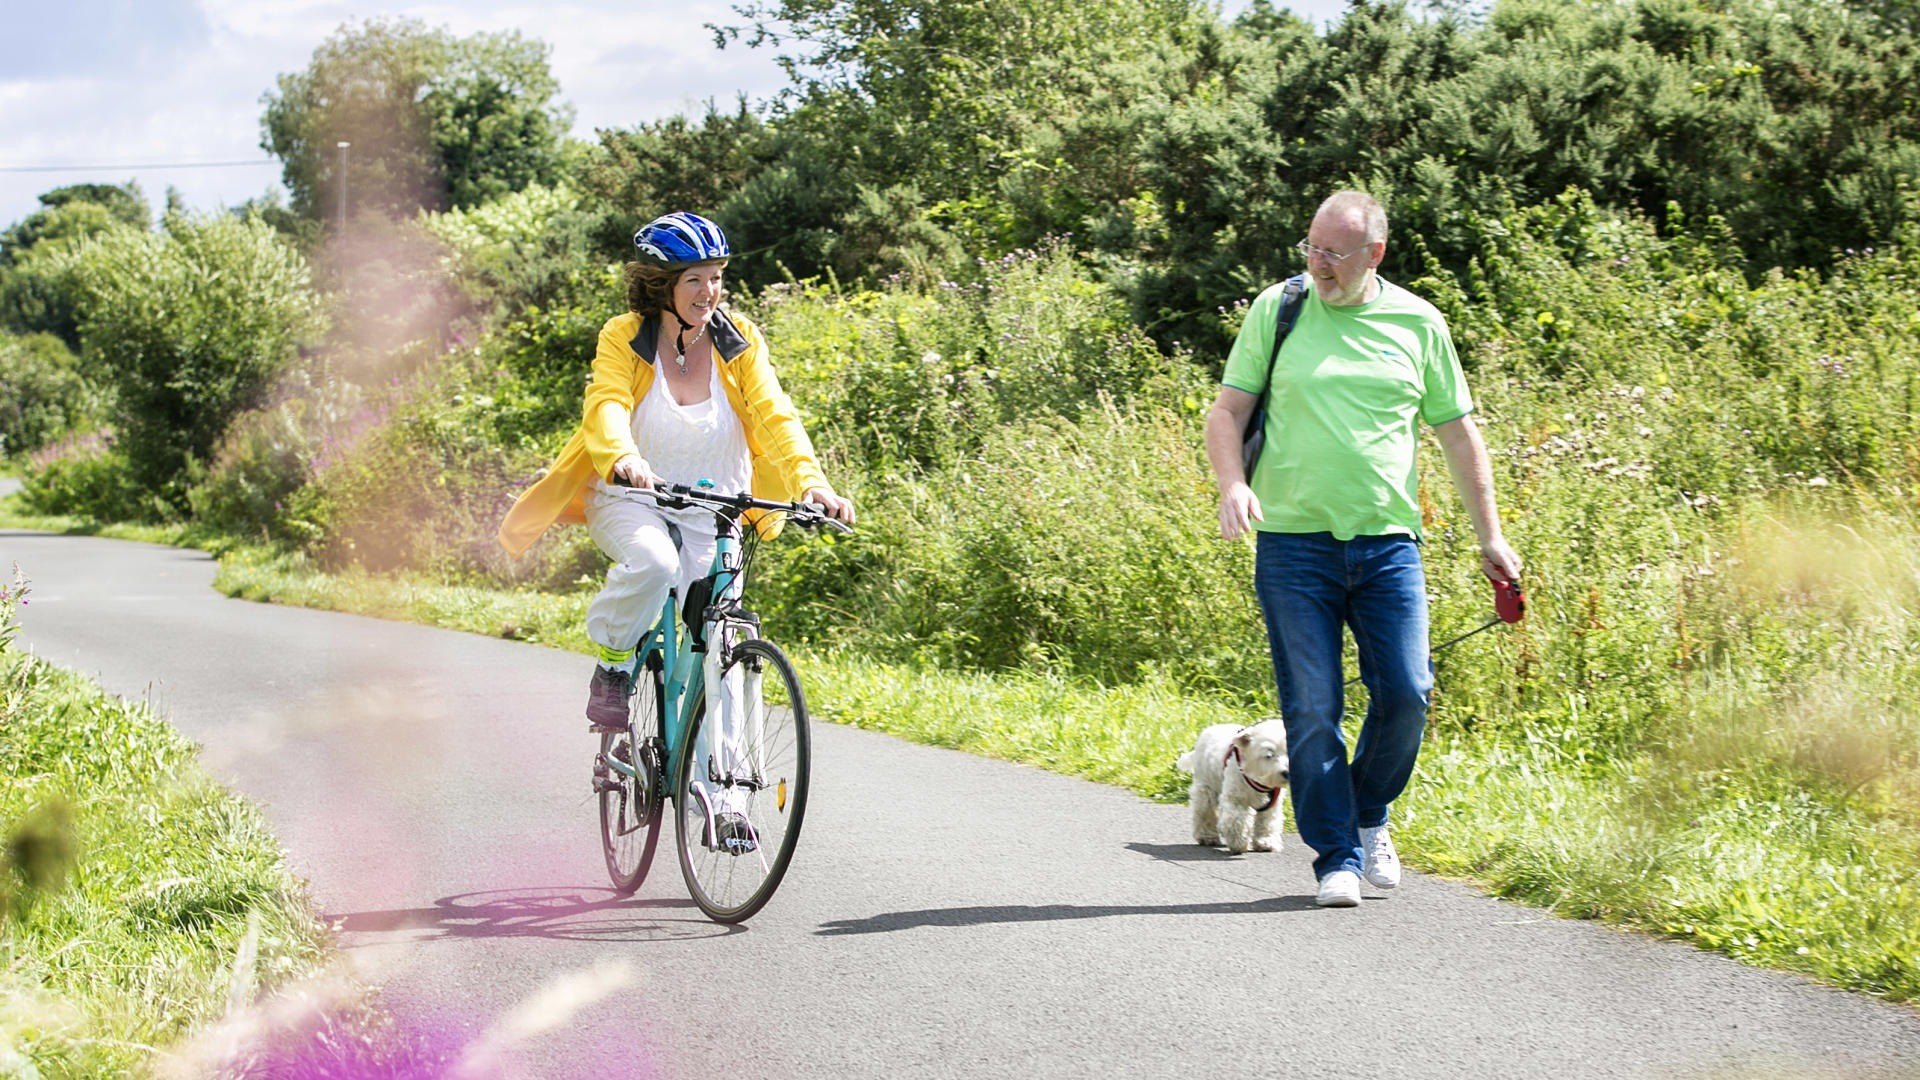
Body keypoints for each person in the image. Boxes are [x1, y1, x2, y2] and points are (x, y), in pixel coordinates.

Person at [1203, 190, 1522, 909]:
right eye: (1310, 248)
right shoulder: (1276, 310)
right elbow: (1227, 411)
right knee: (1312, 710)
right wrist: (1232, 485)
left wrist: (1490, 536)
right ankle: (1336, 856)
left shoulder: (1418, 322)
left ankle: (1367, 810)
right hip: (1292, 546)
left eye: (1333, 254)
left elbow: (1457, 433)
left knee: (1407, 692)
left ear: (1374, 254)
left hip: (1386, 546)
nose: (1317, 264)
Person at [497, 211, 854, 733]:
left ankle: (723, 802)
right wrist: (623, 456)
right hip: (632, 499)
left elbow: (777, 417)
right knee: (654, 563)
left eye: (716, 277)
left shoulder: (740, 342)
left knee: (722, 646)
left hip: (717, 508)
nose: (709, 291)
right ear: (661, 286)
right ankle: (614, 665)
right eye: (694, 279)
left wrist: (812, 483)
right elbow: (606, 402)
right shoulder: (624, 337)